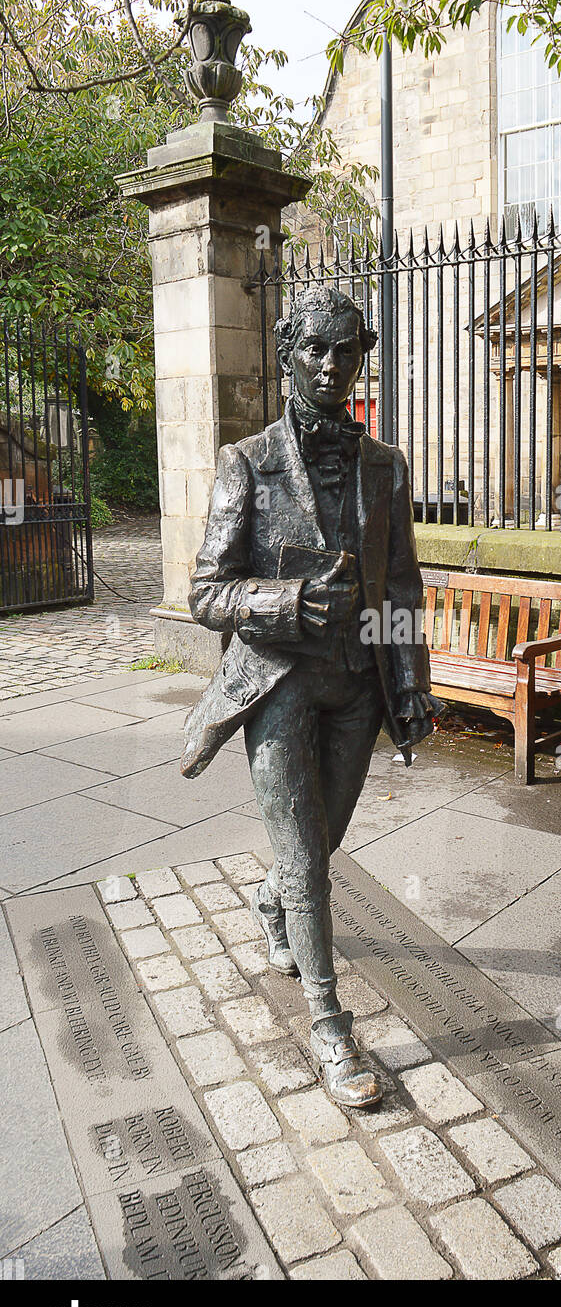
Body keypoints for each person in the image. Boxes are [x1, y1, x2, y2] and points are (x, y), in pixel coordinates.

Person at [181, 284, 441, 1108]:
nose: (333, 366)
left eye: (348, 350)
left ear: (364, 353)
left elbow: (399, 586)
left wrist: (408, 683)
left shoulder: (385, 465)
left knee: (319, 843)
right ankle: (331, 1026)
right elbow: (207, 593)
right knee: (306, 860)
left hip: (357, 687)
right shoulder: (247, 463)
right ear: (289, 356)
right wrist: (284, 604)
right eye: (315, 350)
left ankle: (270, 905)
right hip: (281, 686)